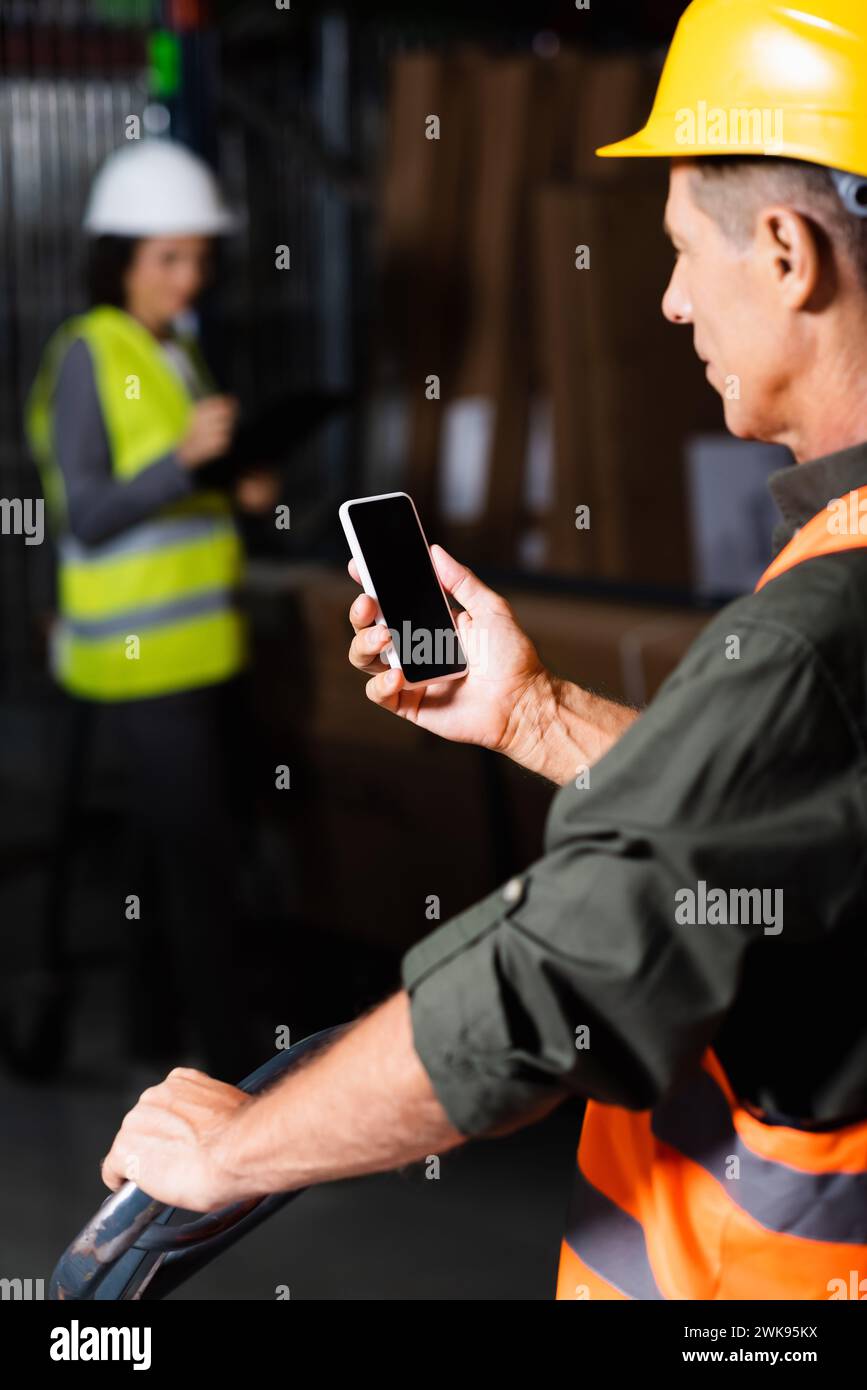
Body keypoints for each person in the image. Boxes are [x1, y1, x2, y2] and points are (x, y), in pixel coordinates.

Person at [102, 0, 867, 1300]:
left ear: (786, 254)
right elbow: (774, 831)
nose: (672, 302)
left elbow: (562, 972)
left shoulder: (819, 620)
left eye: (681, 252)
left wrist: (240, 1144)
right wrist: (532, 712)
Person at [28, 140, 275, 1084]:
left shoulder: (175, 348)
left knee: (155, 859)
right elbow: (88, 514)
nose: (190, 276)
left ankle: (148, 1031)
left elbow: (176, 491)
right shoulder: (92, 353)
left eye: (198, 257)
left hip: (198, 647)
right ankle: (238, 1079)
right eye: (167, 258)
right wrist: (182, 464)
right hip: (138, 663)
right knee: (200, 867)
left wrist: (234, 481)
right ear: (117, 258)